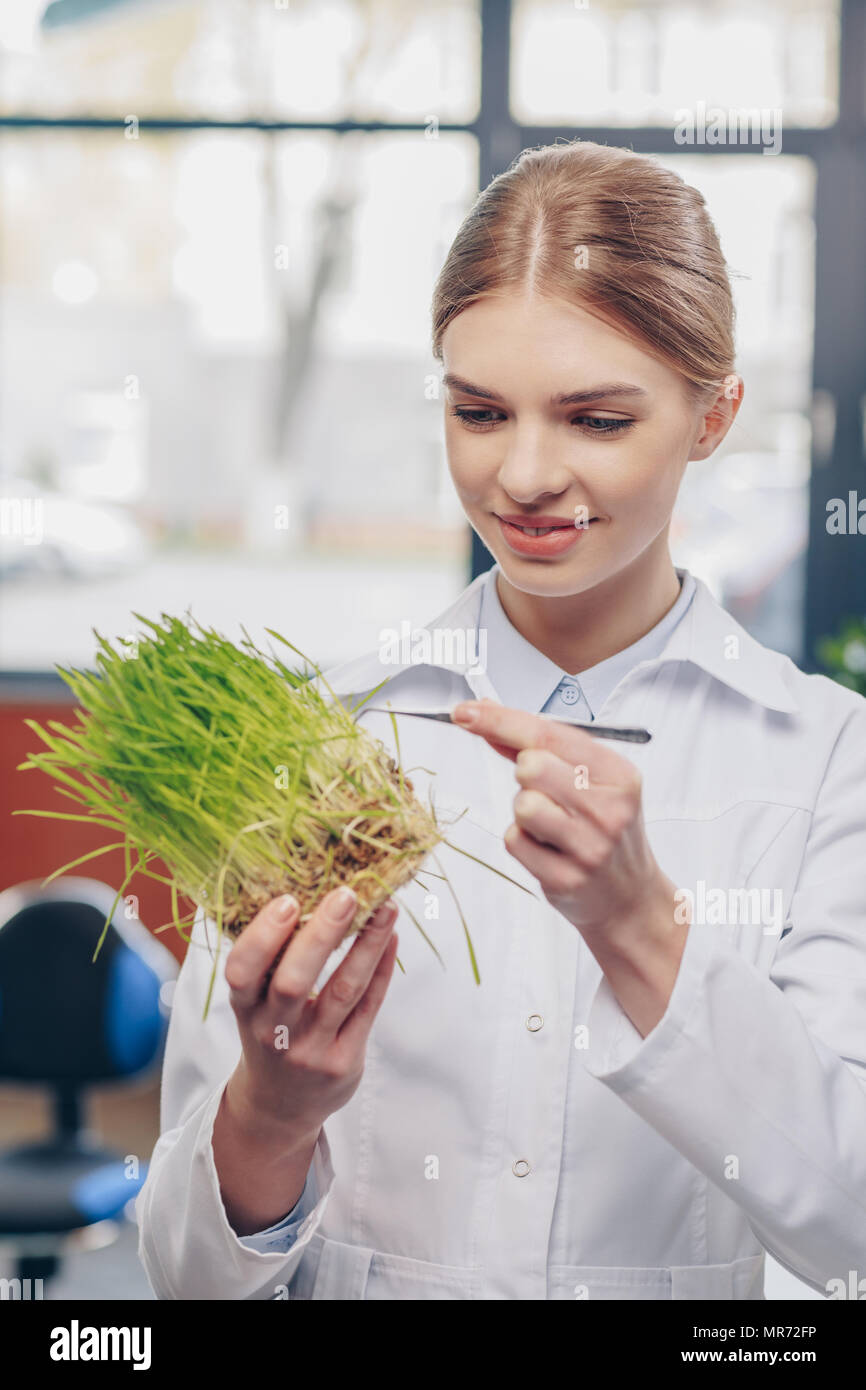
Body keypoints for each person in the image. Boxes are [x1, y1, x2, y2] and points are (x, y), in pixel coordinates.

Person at [136, 140, 866, 1301]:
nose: (521, 475)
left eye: (594, 419)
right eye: (479, 410)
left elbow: (849, 1226)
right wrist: (269, 1120)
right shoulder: (312, 746)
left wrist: (639, 927)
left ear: (714, 413)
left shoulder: (828, 760)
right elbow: (182, 1279)